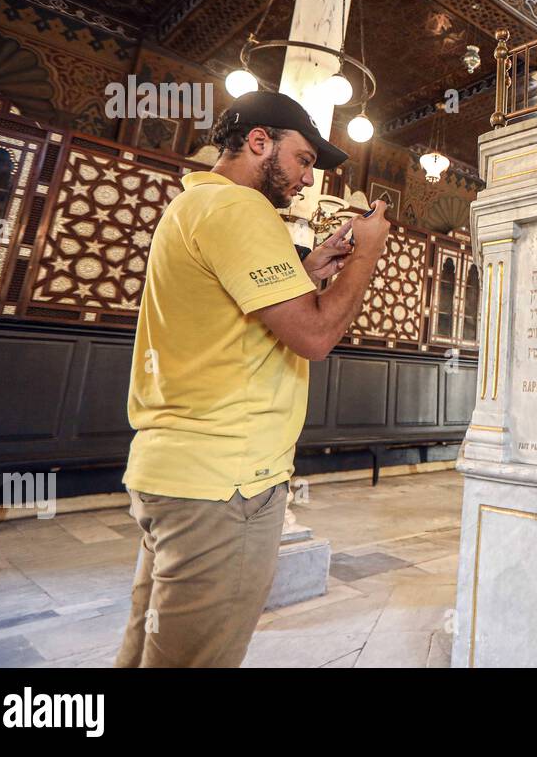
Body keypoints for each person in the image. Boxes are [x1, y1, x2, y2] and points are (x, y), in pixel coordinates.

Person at [115, 90, 391, 668]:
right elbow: (314, 337)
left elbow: (236, 310)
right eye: (303, 160)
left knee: (150, 652)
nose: (306, 180)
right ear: (259, 142)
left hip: (175, 472)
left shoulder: (194, 205)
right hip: (225, 485)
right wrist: (366, 255)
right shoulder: (242, 209)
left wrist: (307, 270)